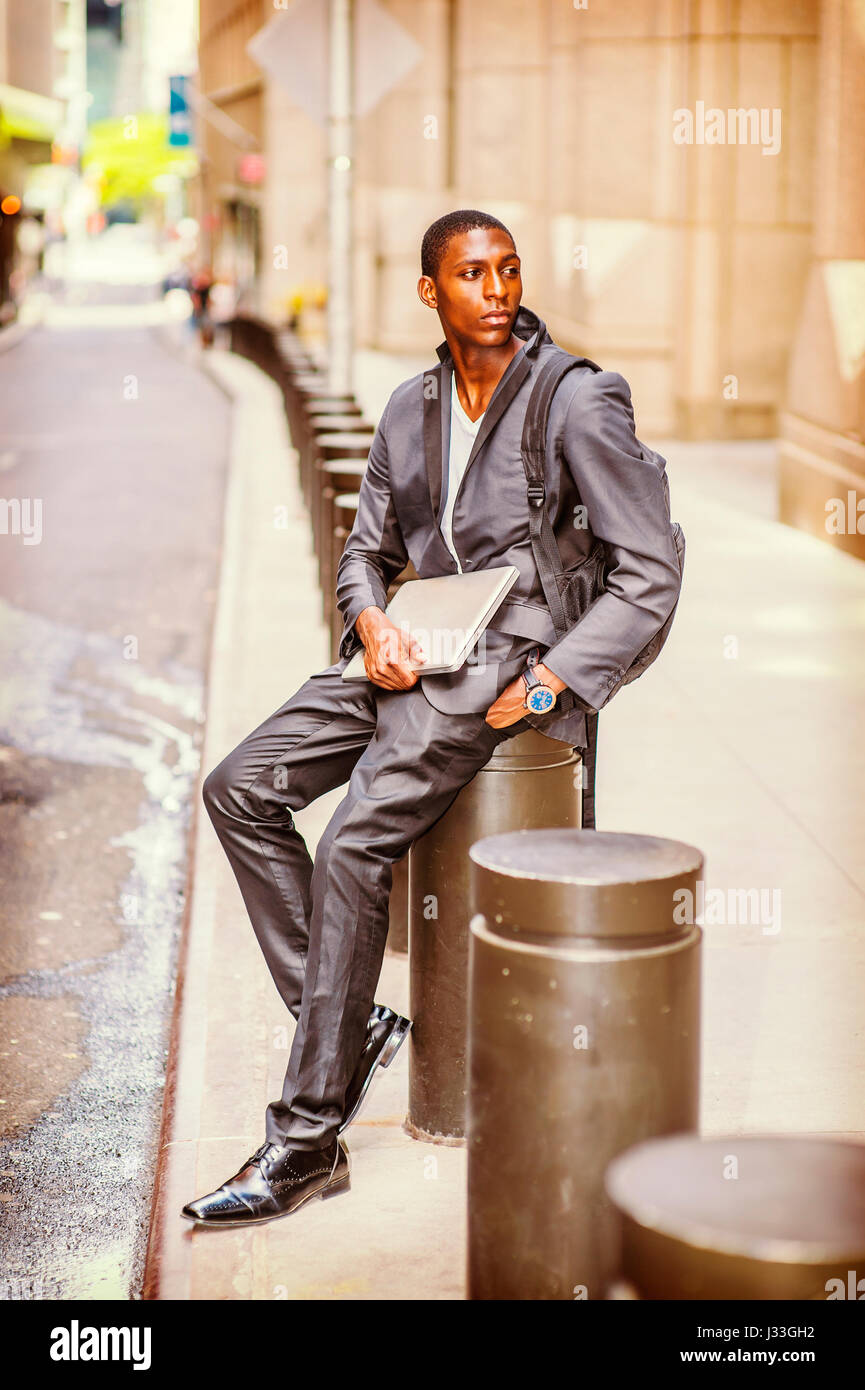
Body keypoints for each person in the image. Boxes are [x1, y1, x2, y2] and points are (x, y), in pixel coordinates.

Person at [182, 209, 682, 1227]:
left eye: (507, 270)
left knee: (355, 841)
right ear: (430, 293)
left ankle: (304, 1136)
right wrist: (369, 620)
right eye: (470, 274)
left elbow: (651, 569)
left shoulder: (574, 400)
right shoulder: (409, 410)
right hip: (411, 645)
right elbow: (364, 547)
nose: (495, 290)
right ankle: (348, 1019)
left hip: (503, 657)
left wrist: (554, 683)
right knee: (239, 786)